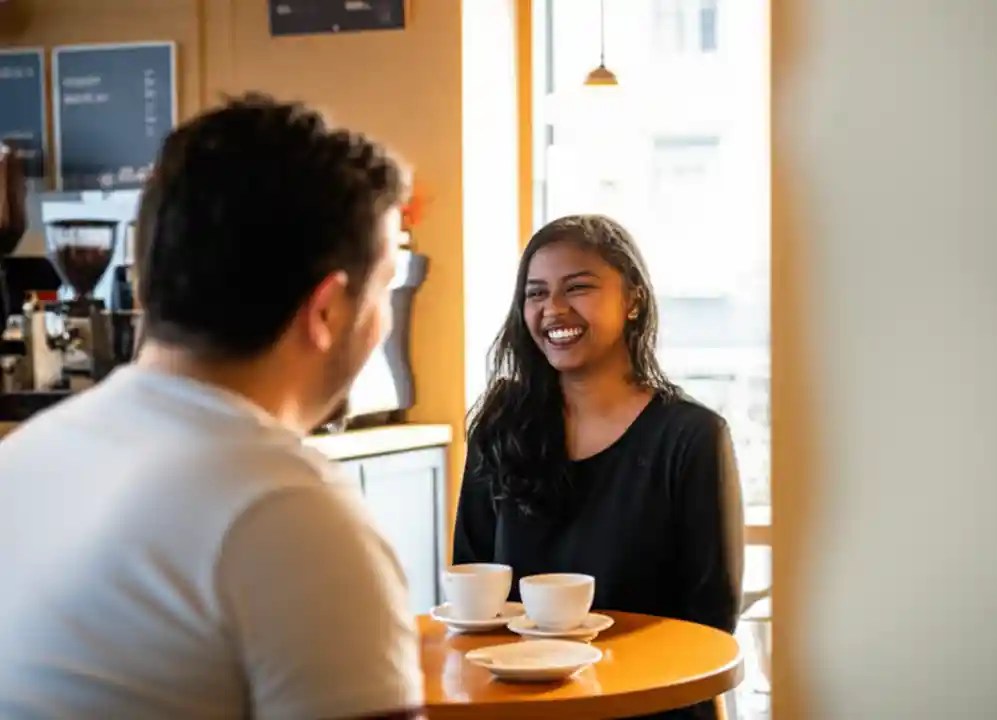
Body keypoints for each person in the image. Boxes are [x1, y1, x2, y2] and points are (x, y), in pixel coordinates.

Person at [0, 95, 425, 719]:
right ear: (328, 309)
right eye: (386, 284)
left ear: (147, 279)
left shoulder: (26, 459)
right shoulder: (286, 513)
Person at [453, 214, 745, 720]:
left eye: (578, 287)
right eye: (536, 293)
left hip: (654, 707)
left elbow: (710, 624)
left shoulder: (693, 437)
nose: (553, 310)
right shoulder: (502, 429)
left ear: (633, 299)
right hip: (525, 708)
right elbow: (475, 593)